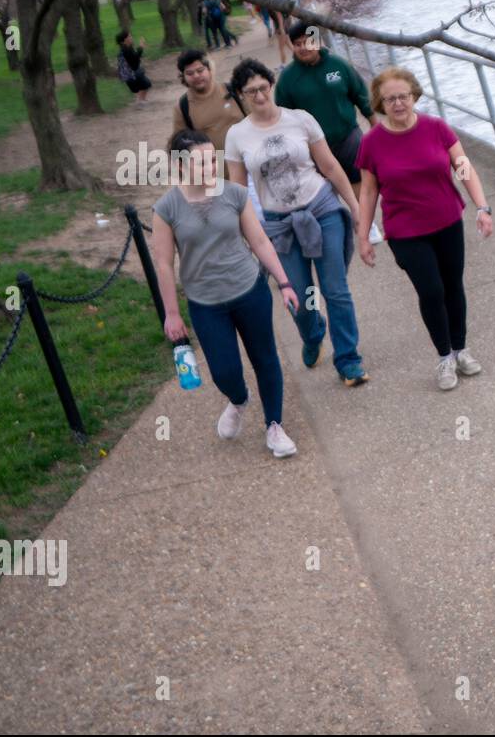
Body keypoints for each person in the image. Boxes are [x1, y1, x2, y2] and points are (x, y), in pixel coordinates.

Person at [150, 129, 300, 457]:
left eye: (211, 159)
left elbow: (259, 241)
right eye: (200, 161)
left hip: (249, 290)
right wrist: (172, 314)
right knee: (224, 371)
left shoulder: (233, 193)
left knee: (266, 359)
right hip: (205, 303)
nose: (209, 167)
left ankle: (274, 427)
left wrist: (284, 283)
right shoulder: (166, 209)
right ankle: (238, 399)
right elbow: (163, 265)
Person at [224, 58, 370, 386]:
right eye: (251, 92)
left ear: (271, 85)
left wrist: (356, 208)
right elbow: (237, 189)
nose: (260, 96)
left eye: (263, 88)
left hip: (322, 209)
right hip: (279, 223)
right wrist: (243, 231)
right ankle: (312, 331)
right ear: (241, 95)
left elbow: (330, 167)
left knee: (336, 289)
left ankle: (348, 360)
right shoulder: (236, 136)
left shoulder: (300, 120)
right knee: (300, 298)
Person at [356, 67, 493, 391]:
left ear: (414, 95)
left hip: (446, 221)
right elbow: (368, 191)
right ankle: (444, 356)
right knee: (431, 291)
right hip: (405, 231)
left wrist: (482, 207)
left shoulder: (436, 128)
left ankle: (461, 349)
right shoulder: (372, 142)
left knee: (452, 286)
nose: (398, 103)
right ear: (380, 103)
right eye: (390, 99)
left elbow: (463, 166)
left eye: (403, 96)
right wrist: (364, 236)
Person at [274, 21, 373, 191]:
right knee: (325, 192)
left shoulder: (338, 65)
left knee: (360, 185)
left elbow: (360, 95)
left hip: (348, 137)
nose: (303, 48)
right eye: (297, 44)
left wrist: (375, 124)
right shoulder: (287, 78)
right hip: (313, 147)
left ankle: (364, 217)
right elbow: (283, 117)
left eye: (307, 42)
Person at [172, 50, 246, 167]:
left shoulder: (232, 90)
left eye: (200, 70)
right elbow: (179, 145)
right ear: (183, 77)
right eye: (190, 73)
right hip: (217, 174)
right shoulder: (182, 107)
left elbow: (258, 119)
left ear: (209, 70)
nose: (196, 76)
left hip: (249, 164)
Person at [115, 29, 151, 106]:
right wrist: (141, 47)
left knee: (144, 83)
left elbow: (135, 59)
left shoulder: (127, 48)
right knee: (145, 84)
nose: (131, 37)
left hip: (130, 74)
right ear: (124, 40)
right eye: (129, 36)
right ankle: (141, 101)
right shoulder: (125, 49)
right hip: (131, 74)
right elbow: (134, 59)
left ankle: (141, 100)